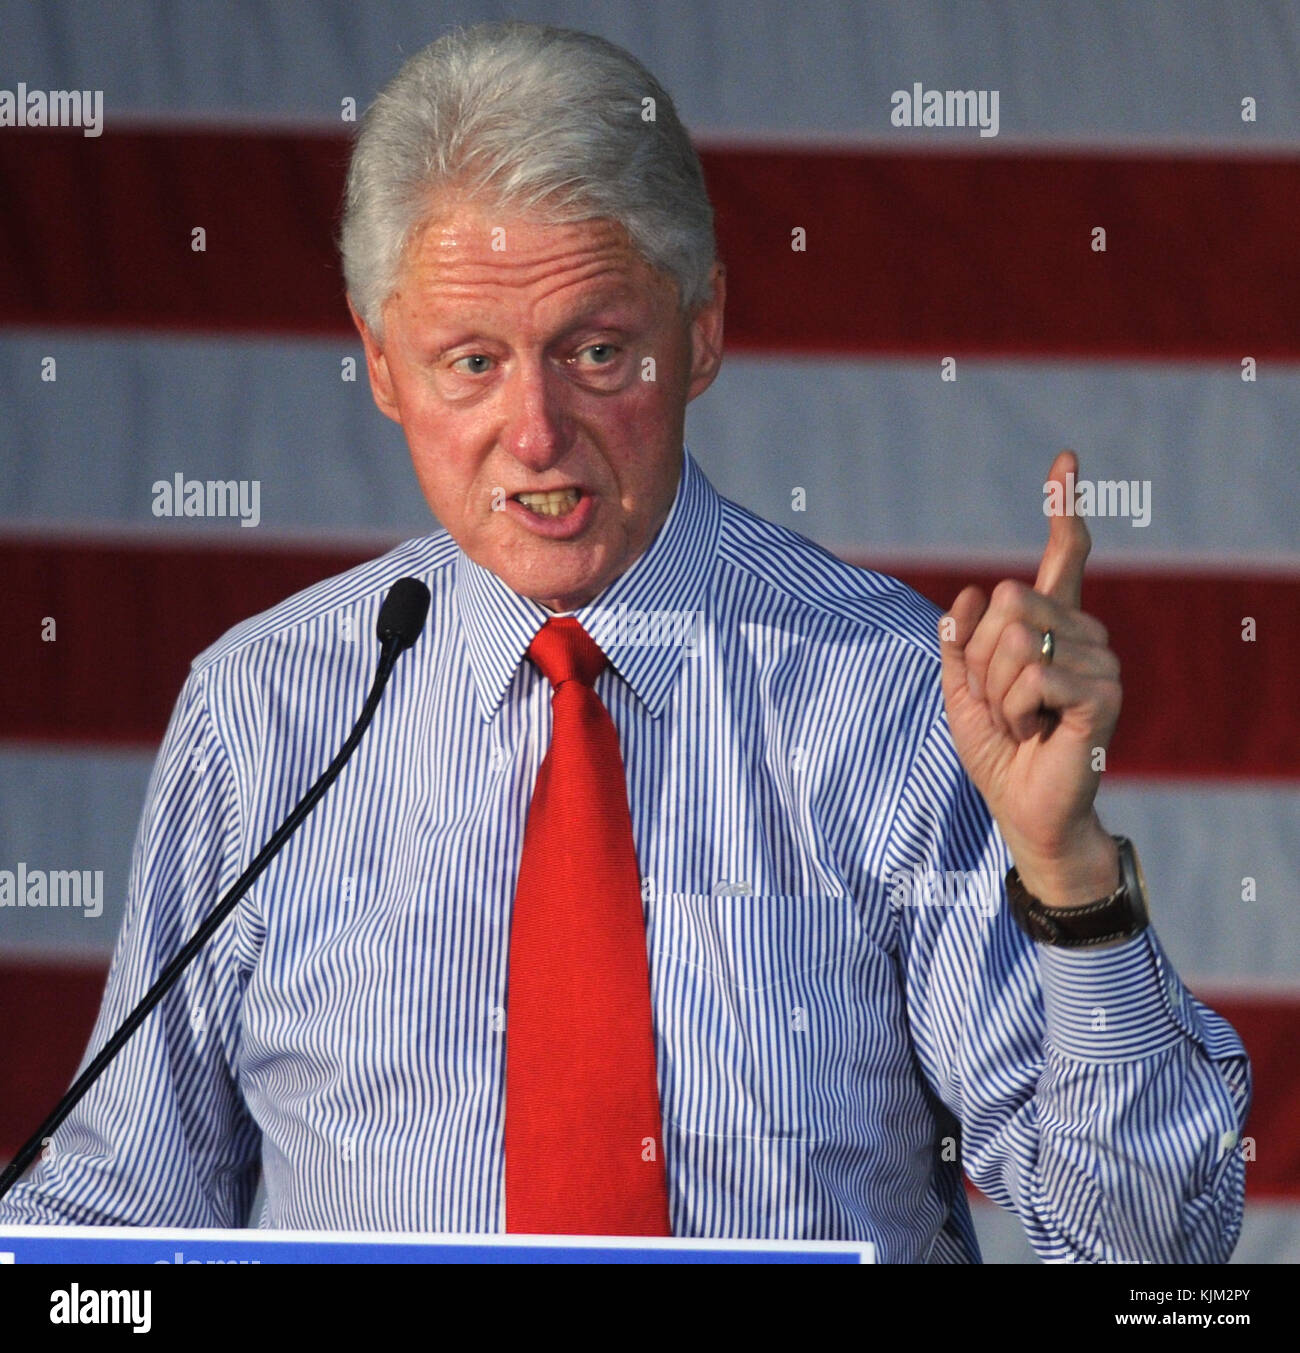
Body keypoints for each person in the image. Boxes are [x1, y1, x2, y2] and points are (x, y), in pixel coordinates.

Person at [0, 22, 1248, 1262]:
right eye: (470, 363)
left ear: (700, 334)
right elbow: (109, 1232)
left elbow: (1148, 1260)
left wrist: (1071, 878)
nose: (533, 433)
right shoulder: (261, 712)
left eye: (596, 353)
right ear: (380, 364)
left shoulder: (901, 702)